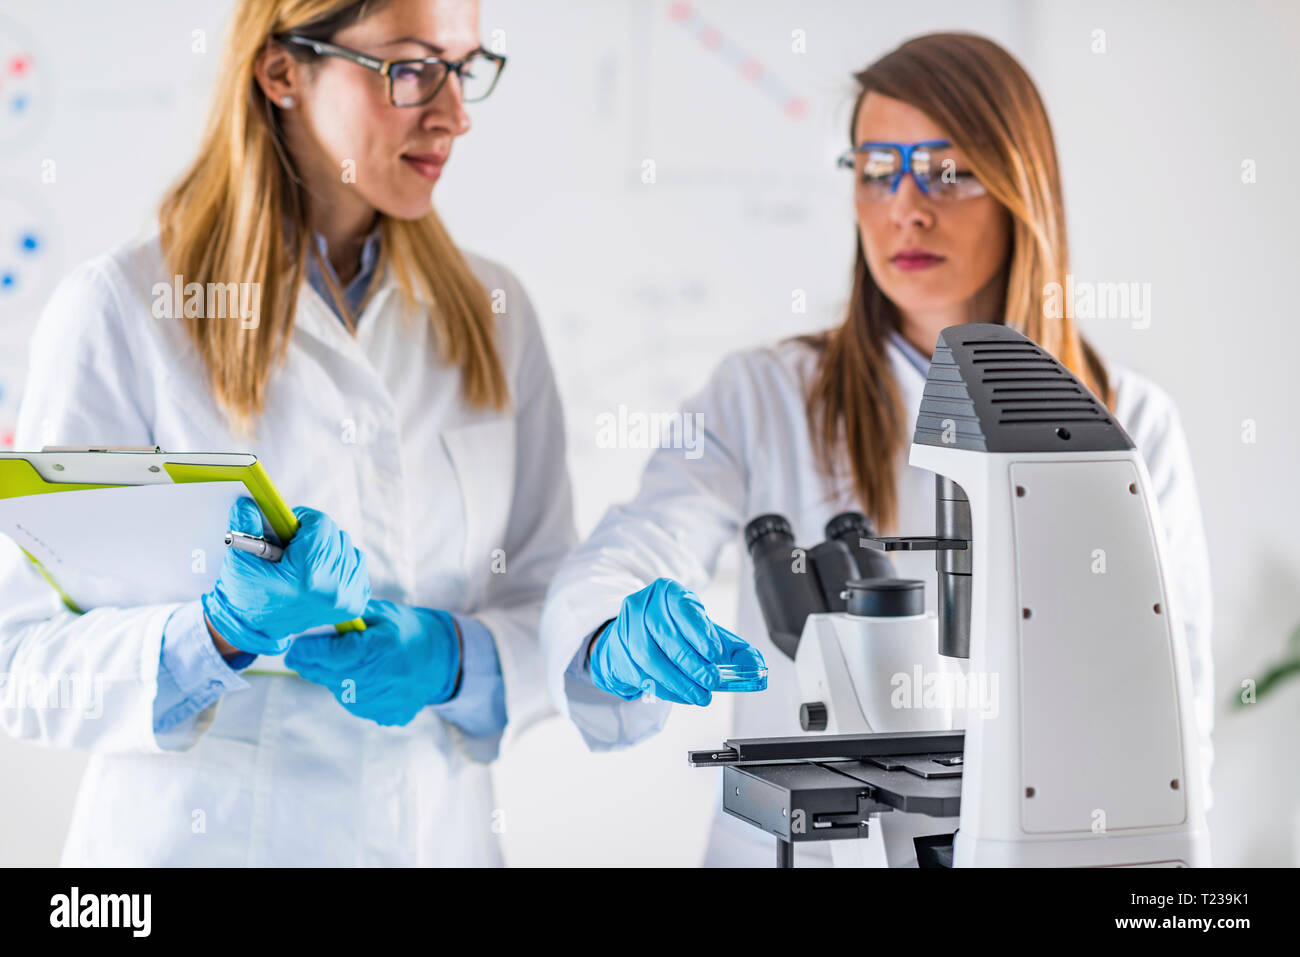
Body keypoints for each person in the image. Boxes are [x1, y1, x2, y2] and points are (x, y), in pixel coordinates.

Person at [540, 32, 1213, 867]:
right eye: (876, 168)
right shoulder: (765, 395)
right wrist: (616, 629)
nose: (906, 207)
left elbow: (1179, 717)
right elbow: (633, 545)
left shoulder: (1130, 422)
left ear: (1020, 186)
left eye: (946, 170)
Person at [0, 0, 574, 866]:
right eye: (411, 68)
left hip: (436, 837)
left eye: (466, 68)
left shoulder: (494, 317)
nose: (454, 114)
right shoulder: (121, 308)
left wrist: (457, 660)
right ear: (281, 72)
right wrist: (218, 634)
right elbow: (19, 655)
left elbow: (549, 599)